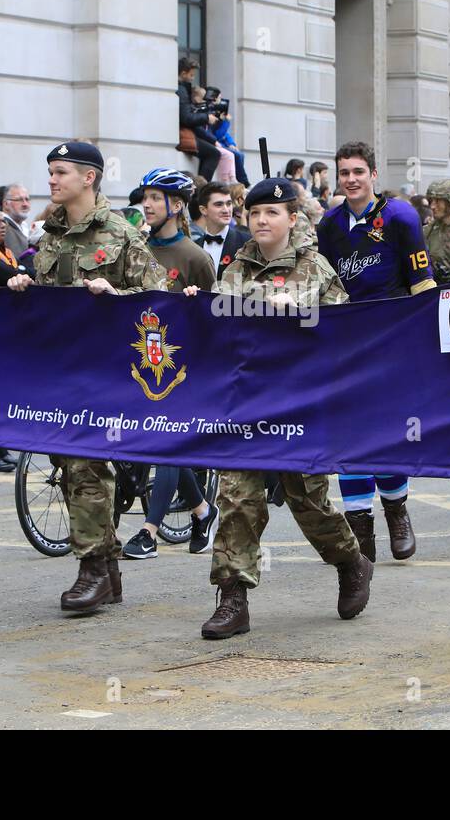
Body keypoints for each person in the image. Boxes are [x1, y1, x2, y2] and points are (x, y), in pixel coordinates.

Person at [184, 177, 372, 639]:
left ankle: (351, 561)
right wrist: (198, 309)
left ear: (292, 218)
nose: (261, 221)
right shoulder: (234, 269)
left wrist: (304, 315)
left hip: (298, 404)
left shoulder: (316, 268)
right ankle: (232, 598)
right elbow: (219, 333)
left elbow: (345, 334)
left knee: (307, 499)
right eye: (254, 213)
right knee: (236, 499)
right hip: (246, 402)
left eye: (272, 213)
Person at [24, 141, 165, 613]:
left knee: (85, 467)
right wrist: (24, 288)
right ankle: (108, 569)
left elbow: (157, 298)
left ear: (89, 177)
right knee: (68, 469)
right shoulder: (50, 235)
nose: (51, 180)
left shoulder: (121, 234)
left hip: (105, 372)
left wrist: (117, 293)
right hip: (59, 370)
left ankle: (91, 570)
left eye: (60, 172)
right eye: (49, 172)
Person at [317, 141, 435, 562]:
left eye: (358, 171)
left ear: (373, 175)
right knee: (351, 432)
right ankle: (359, 525)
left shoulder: (401, 216)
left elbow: (422, 282)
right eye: (344, 172)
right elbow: (322, 286)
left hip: (394, 337)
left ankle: (396, 509)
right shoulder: (328, 225)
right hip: (346, 341)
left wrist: (425, 340)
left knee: (387, 429)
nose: (351, 179)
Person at [115, 168, 219, 561]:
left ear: (177, 205)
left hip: (185, 372)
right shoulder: (136, 247)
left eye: (156, 198)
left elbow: (217, 315)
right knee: (160, 443)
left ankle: (148, 531)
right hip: (141, 364)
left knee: (164, 443)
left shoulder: (195, 258)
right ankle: (203, 512)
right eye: (145, 197)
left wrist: (196, 305)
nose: (147, 204)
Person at [177, 58, 224, 181]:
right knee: (214, 154)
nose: (193, 78)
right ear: (183, 74)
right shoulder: (181, 90)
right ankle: (201, 190)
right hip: (184, 134)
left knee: (214, 152)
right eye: (191, 75)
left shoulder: (183, 89)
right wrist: (206, 117)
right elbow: (186, 118)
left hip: (187, 133)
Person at [194, 182, 249, 280]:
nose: (226, 210)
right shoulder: (195, 247)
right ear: (203, 210)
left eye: (229, 203)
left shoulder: (247, 243)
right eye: (219, 204)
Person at [0, 183, 33, 256]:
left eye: (27, 199)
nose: (25, 204)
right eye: (19, 200)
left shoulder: (23, 225)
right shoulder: (1, 225)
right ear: (6, 204)